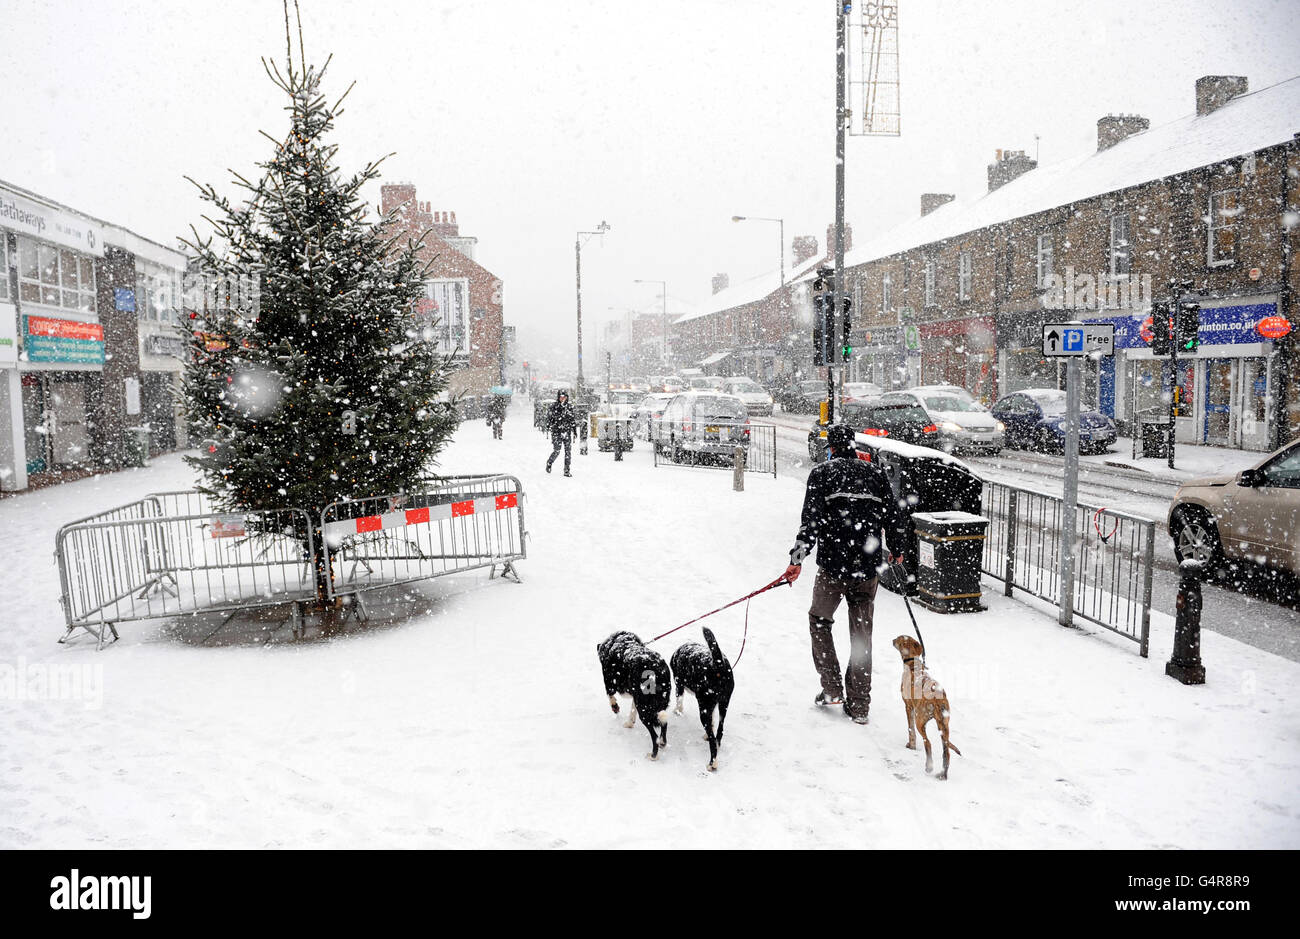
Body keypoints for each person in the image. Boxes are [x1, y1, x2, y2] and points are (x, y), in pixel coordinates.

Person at [783, 423, 909, 724]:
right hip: (867, 568)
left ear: (832, 447)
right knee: (861, 636)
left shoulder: (822, 475)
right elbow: (893, 515)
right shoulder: (876, 475)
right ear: (854, 445)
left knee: (819, 620)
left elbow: (809, 523)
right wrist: (897, 547)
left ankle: (831, 689)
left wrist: (797, 559)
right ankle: (860, 705)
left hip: (832, 567)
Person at [545, 390, 578, 476]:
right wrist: (550, 425)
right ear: (558, 397)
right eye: (561, 397)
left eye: (564, 397)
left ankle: (567, 469)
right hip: (557, 432)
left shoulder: (569, 407)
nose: (562, 399)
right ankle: (549, 462)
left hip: (566, 431)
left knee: (568, 451)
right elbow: (549, 419)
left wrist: (574, 430)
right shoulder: (554, 407)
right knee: (557, 450)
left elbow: (572, 420)